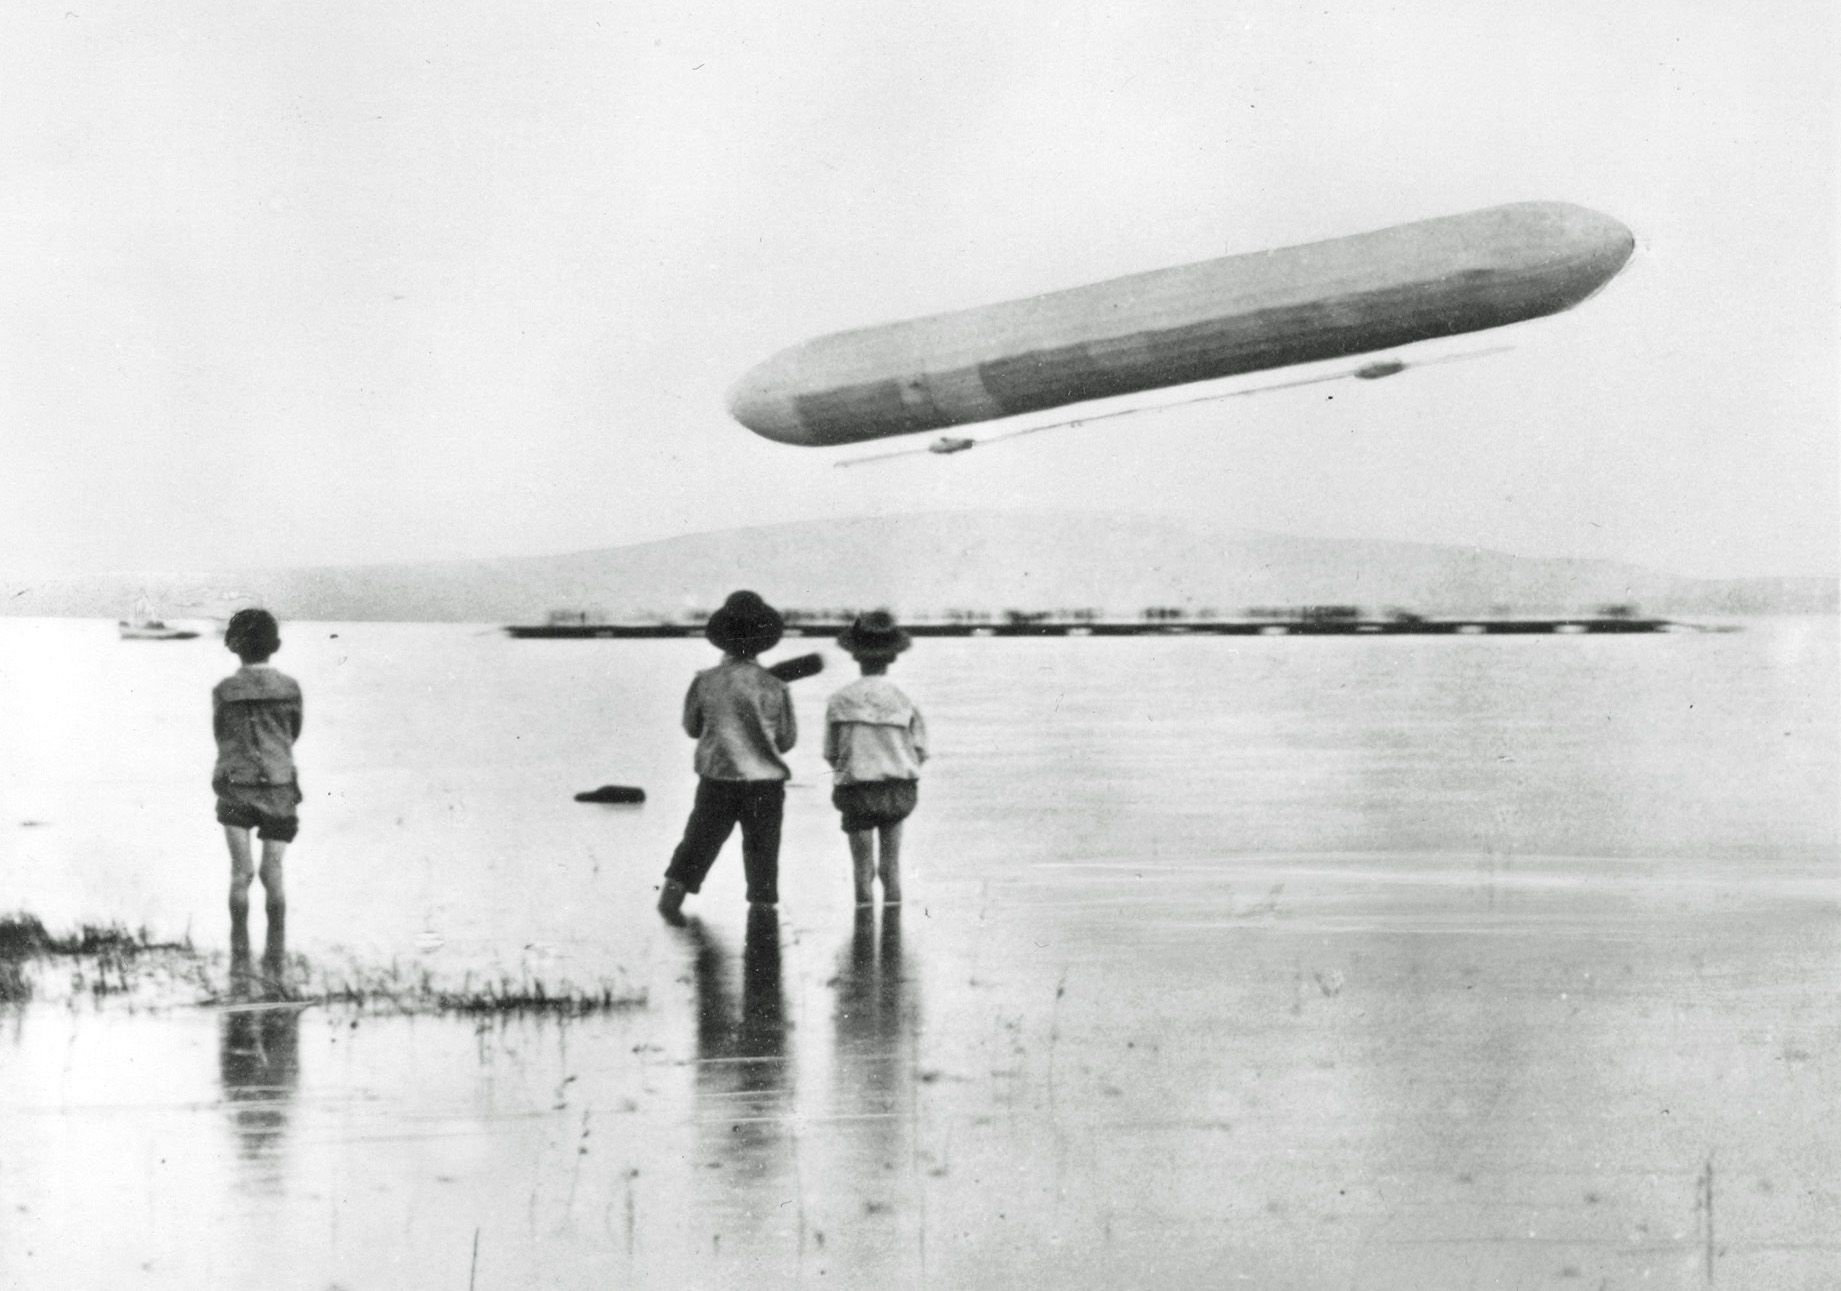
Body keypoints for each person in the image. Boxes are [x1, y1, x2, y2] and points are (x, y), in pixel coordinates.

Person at [657, 590, 797, 924]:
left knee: (695, 849)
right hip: (765, 784)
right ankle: (762, 939)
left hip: (717, 779)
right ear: (763, 641)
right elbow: (787, 740)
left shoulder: (704, 681)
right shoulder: (775, 685)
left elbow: (692, 728)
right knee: (762, 862)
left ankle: (668, 910)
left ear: (722, 640)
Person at [211, 608, 303, 991]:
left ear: (234, 646)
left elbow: (221, 736)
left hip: (235, 784)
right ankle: (275, 964)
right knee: (273, 875)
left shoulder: (224, 691)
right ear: (276, 646)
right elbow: (293, 732)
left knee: (240, 874)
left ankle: (238, 963)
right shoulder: (290, 688)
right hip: (280, 786)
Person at [824, 611, 927, 906]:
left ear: (856, 657)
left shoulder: (839, 699)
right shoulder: (904, 698)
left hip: (856, 790)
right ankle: (893, 941)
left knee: (862, 869)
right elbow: (920, 749)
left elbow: (830, 752)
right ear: (892, 658)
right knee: (891, 868)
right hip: (897, 789)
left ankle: (864, 936)